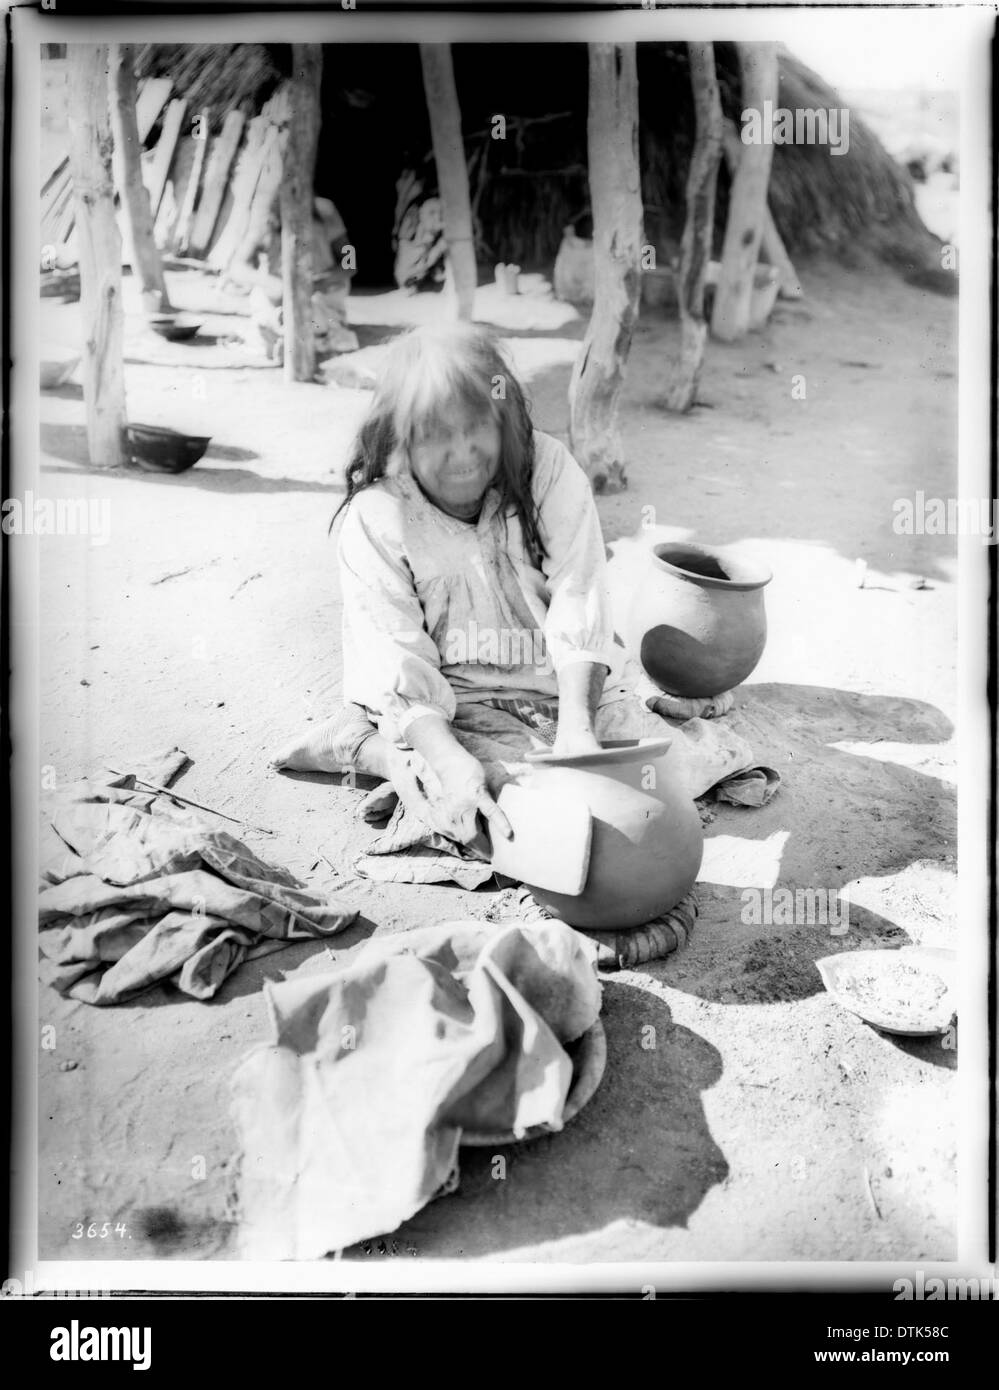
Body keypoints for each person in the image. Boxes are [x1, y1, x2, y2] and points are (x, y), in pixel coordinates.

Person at [273, 322, 744, 848]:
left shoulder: (548, 469)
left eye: (477, 426)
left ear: (504, 421)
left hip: (563, 686)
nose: (462, 453)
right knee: (510, 812)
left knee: (675, 772)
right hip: (455, 704)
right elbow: (396, 656)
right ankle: (373, 750)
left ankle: (403, 763)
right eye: (436, 435)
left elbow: (578, 594)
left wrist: (578, 732)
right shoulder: (378, 515)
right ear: (400, 440)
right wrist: (450, 762)